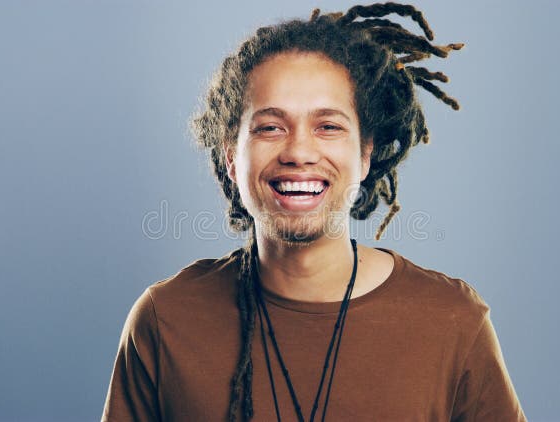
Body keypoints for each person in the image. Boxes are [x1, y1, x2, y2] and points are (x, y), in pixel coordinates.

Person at [102, 3, 526, 421]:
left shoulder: (453, 322)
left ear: (365, 154)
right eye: (270, 127)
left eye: (328, 126)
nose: (299, 152)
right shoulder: (164, 319)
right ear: (232, 157)